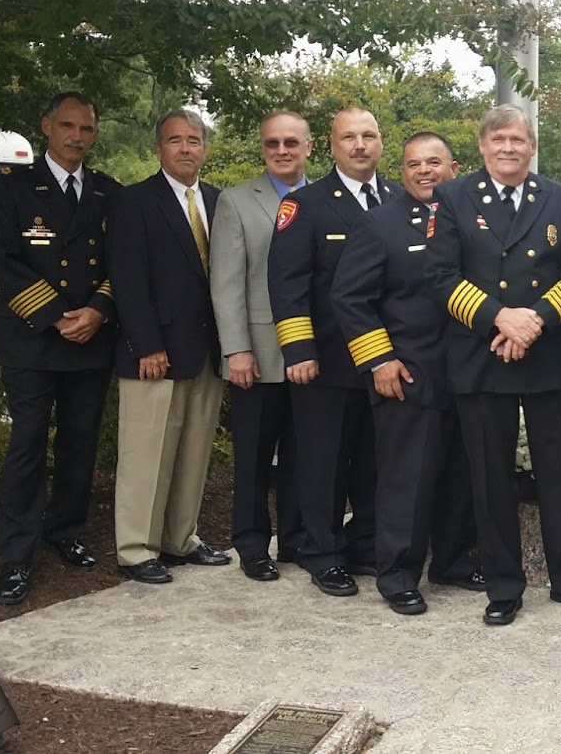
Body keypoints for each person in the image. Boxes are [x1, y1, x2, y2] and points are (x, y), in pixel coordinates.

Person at [424, 107, 561, 625]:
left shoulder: (559, 197)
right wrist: (500, 318)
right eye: (499, 139)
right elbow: (440, 274)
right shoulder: (453, 196)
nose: (508, 148)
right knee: (490, 475)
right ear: (482, 147)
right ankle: (502, 585)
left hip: (548, 354)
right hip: (483, 353)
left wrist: (534, 322)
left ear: (531, 146)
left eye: (518, 139)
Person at [332, 131, 479, 615]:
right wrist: (379, 359)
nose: (424, 171)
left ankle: (453, 562)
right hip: (407, 374)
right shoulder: (379, 224)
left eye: (434, 163)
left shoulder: (472, 221)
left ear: (453, 168)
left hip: (467, 372)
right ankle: (396, 574)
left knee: (461, 474)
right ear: (403, 171)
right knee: (406, 482)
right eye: (414, 164)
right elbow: (350, 298)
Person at [0, 92, 121, 605]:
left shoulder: (109, 193)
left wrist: (98, 312)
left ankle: (65, 531)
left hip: (90, 339)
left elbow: (119, 264)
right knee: (27, 446)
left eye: (86, 129)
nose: (77, 137)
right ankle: (16, 555)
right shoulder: (11, 187)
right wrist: (57, 315)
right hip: (31, 340)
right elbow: (1, 260)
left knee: (79, 445)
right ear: (47, 126)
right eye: (67, 126)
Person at [268, 107, 401, 596]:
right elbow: (287, 283)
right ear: (331, 144)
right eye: (350, 137)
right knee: (323, 462)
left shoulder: (399, 199)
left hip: (386, 360)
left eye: (369, 135)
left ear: (381, 143)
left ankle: (364, 545)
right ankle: (321, 552)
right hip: (324, 359)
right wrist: (298, 348)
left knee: (375, 460)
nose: (360, 145)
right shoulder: (306, 205)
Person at [108, 109, 228, 583]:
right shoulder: (135, 201)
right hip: (153, 352)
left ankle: (182, 539)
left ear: (204, 148)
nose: (185, 149)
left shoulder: (220, 202)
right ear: (159, 148)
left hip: (205, 349)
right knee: (146, 453)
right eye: (174, 140)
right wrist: (146, 345)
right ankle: (137, 549)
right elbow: (128, 279)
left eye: (193, 140)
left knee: (194, 449)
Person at [211, 112, 310, 582]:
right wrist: (236, 349)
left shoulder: (325, 199)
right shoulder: (235, 202)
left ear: (310, 146)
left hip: (313, 352)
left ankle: (294, 539)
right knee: (253, 455)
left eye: (292, 142)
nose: (282, 150)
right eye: (273, 143)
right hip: (259, 350)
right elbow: (226, 283)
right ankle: (251, 544)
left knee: (302, 451)